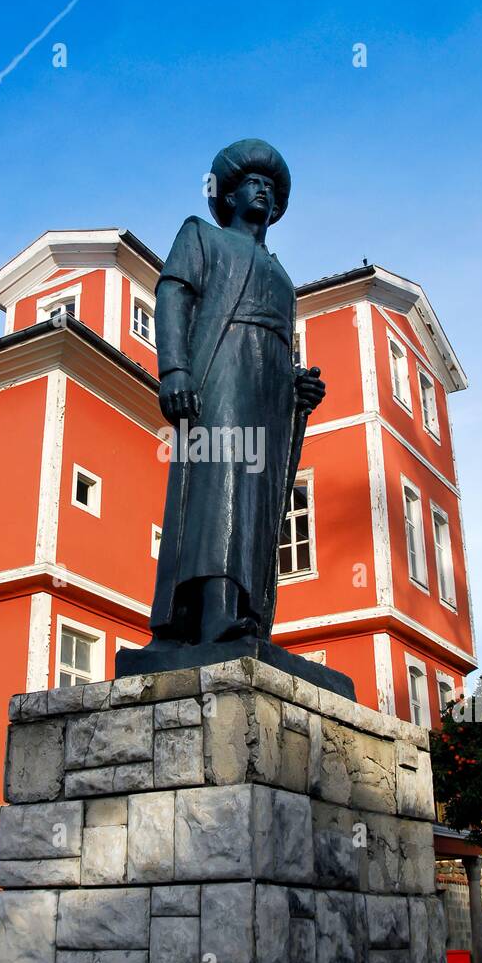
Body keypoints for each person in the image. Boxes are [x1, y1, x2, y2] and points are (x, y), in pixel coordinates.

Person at [147, 138, 326, 648]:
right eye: (254, 183)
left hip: (269, 389)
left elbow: (279, 345)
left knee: (261, 498)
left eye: (272, 187)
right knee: (219, 481)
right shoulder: (201, 235)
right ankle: (212, 615)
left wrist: (298, 391)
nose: (264, 192)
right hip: (219, 368)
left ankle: (248, 612)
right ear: (226, 195)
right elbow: (173, 294)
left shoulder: (283, 276)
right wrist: (175, 370)